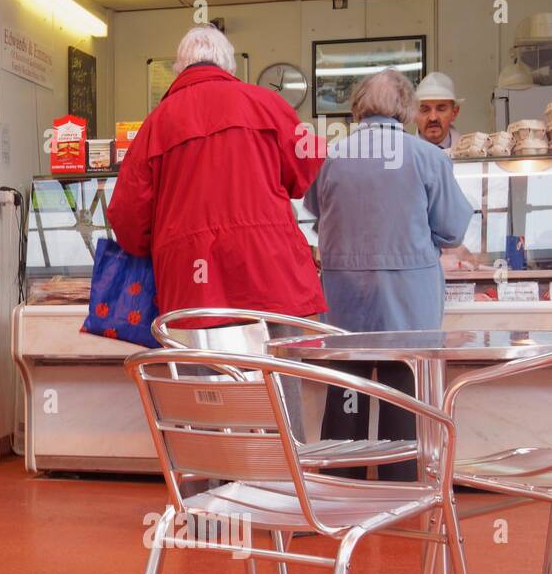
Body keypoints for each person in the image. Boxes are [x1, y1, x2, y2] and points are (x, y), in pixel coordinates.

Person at [303, 68, 471, 479]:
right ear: (407, 110)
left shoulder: (329, 157)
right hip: (408, 303)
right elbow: (452, 229)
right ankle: (399, 491)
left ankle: (344, 490)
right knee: (403, 396)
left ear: (358, 108)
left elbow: (314, 211)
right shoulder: (427, 157)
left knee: (347, 389)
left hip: (344, 301)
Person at [107, 25, 326, 321]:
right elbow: (306, 168)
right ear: (230, 65)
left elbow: (127, 218)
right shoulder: (267, 103)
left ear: (178, 69)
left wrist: (161, 246)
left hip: (192, 287)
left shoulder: (155, 124)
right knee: (278, 366)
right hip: (272, 277)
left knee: (203, 366)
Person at [413, 71, 462, 150]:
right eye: (425, 110)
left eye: (441, 109)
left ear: (454, 113)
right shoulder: (402, 156)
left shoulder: (475, 156)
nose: (433, 118)